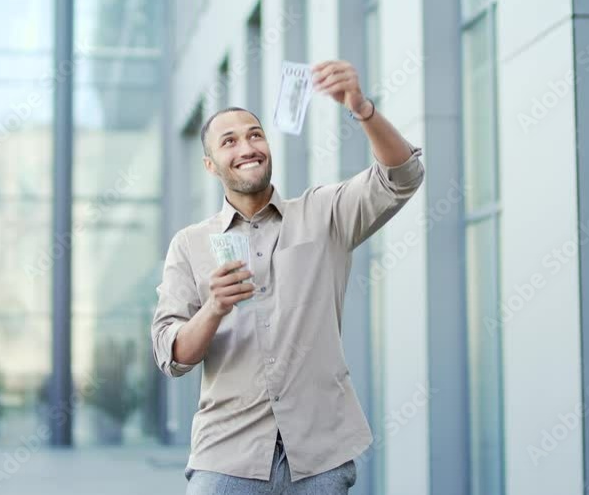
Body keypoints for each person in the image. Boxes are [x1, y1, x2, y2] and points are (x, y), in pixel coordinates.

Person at [151, 60, 425, 494]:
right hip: (227, 456)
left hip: (319, 456)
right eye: (230, 141)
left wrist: (362, 109)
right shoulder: (189, 244)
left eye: (255, 134)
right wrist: (214, 307)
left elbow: (402, 177)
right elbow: (173, 356)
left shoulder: (322, 214)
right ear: (210, 164)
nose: (247, 147)